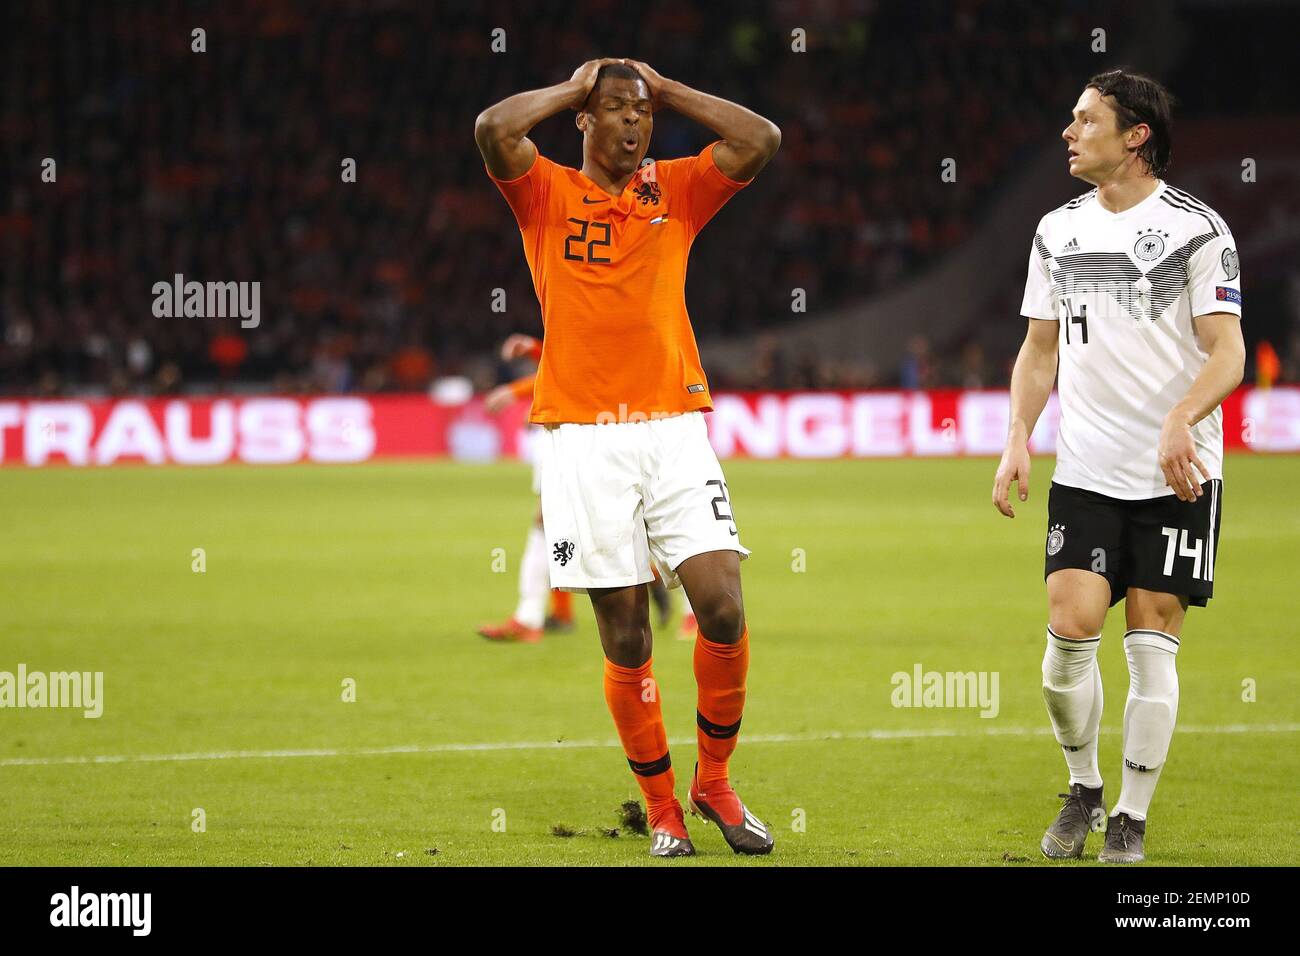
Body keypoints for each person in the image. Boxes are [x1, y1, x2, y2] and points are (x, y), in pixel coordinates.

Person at [475, 58, 780, 856]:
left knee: (721, 602)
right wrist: (574, 87)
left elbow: (760, 138)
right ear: (584, 120)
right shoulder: (542, 191)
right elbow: (493, 130)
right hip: (584, 439)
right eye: (614, 110)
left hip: (675, 428)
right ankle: (662, 810)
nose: (633, 122)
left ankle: (714, 782)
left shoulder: (674, 188)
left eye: (641, 112)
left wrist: (669, 88)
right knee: (626, 634)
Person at [993, 70, 1245, 863]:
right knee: (1069, 631)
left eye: (1085, 119)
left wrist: (1181, 419)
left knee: (1150, 641)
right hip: (1088, 468)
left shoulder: (1198, 231)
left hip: (1179, 474)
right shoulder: (1055, 231)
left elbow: (1228, 350)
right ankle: (1084, 789)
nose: (1068, 132)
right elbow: (1039, 351)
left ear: (1135, 136)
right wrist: (1016, 436)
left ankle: (1129, 818)